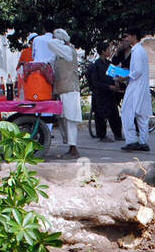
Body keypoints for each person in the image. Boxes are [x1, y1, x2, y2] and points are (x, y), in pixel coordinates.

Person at [49, 28, 83, 159]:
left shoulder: (68, 50)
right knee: (64, 120)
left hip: (70, 90)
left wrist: (55, 39)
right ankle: (71, 147)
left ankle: (74, 150)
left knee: (70, 120)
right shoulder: (60, 54)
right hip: (63, 89)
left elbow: (50, 44)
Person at [120, 29, 152, 152]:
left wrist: (125, 76)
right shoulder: (140, 50)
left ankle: (132, 140)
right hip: (140, 87)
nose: (126, 39)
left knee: (127, 112)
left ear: (133, 36)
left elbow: (137, 71)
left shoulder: (137, 51)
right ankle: (143, 141)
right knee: (141, 115)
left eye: (127, 36)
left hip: (135, 87)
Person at [89, 41, 124, 141]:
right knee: (100, 116)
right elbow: (95, 83)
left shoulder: (109, 64)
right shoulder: (95, 66)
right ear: (103, 51)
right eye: (108, 49)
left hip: (110, 94)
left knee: (114, 114)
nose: (109, 51)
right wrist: (108, 87)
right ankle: (102, 136)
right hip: (100, 94)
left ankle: (118, 134)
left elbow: (114, 76)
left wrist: (116, 83)